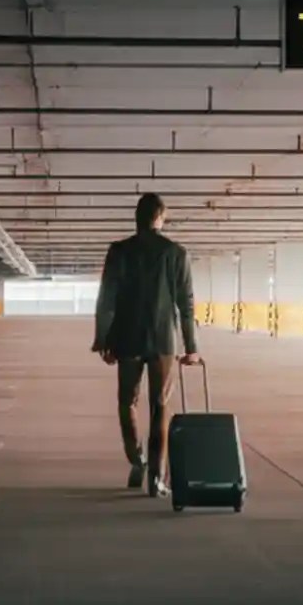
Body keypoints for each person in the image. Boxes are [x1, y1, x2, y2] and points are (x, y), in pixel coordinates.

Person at [92, 193, 201, 498]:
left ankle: (136, 459)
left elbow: (107, 299)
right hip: (163, 341)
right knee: (160, 408)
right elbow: (186, 303)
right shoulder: (176, 253)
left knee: (127, 402)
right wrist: (191, 346)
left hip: (126, 340)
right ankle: (157, 479)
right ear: (160, 218)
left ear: (137, 218)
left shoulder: (119, 251)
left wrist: (103, 339)